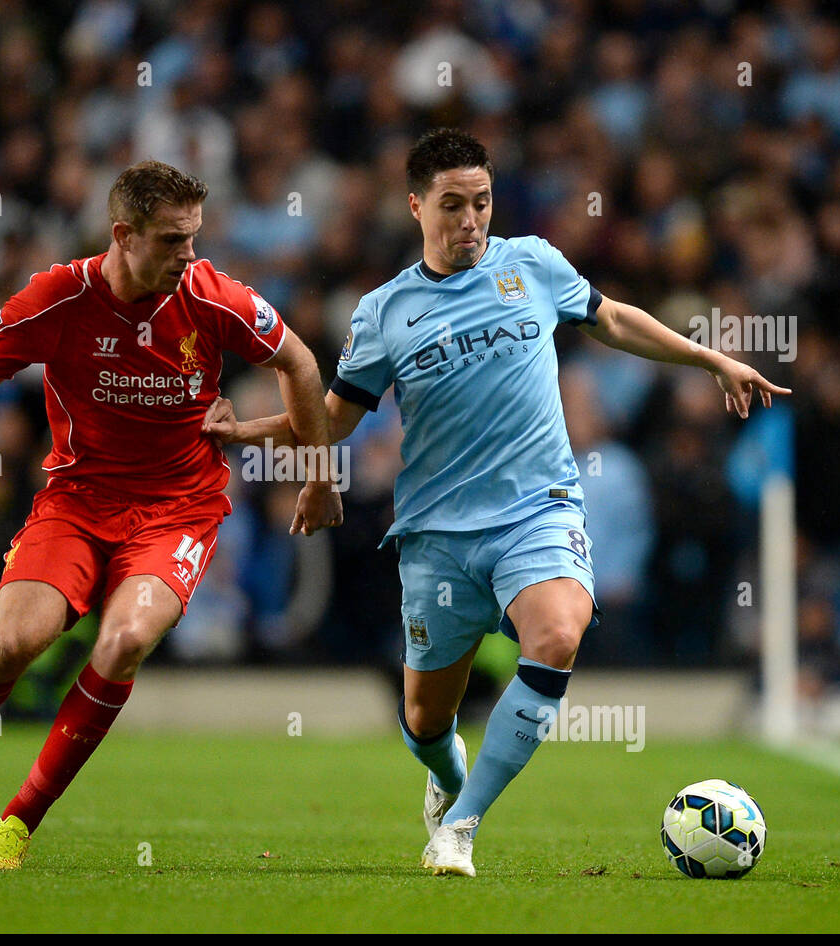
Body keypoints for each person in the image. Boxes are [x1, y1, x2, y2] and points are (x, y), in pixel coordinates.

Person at [207, 128, 789, 876]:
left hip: (536, 512)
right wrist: (241, 431)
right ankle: (446, 774)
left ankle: (461, 824)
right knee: (424, 722)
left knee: (555, 637)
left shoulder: (533, 264)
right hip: (438, 535)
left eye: (481, 202)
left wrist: (708, 356)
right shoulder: (384, 312)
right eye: (452, 205)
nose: (471, 220)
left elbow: (611, 317)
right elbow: (332, 419)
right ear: (416, 206)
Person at [0, 160, 341, 869]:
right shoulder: (59, 297)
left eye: (194, 237)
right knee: (8, 647)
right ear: (124, 234)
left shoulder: (214, 297)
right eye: (173, 241)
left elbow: (299, 363)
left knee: (124, 640)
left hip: (177, 509)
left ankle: (17, 822)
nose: (190, 256)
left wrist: (319, 479)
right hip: (76, 504)